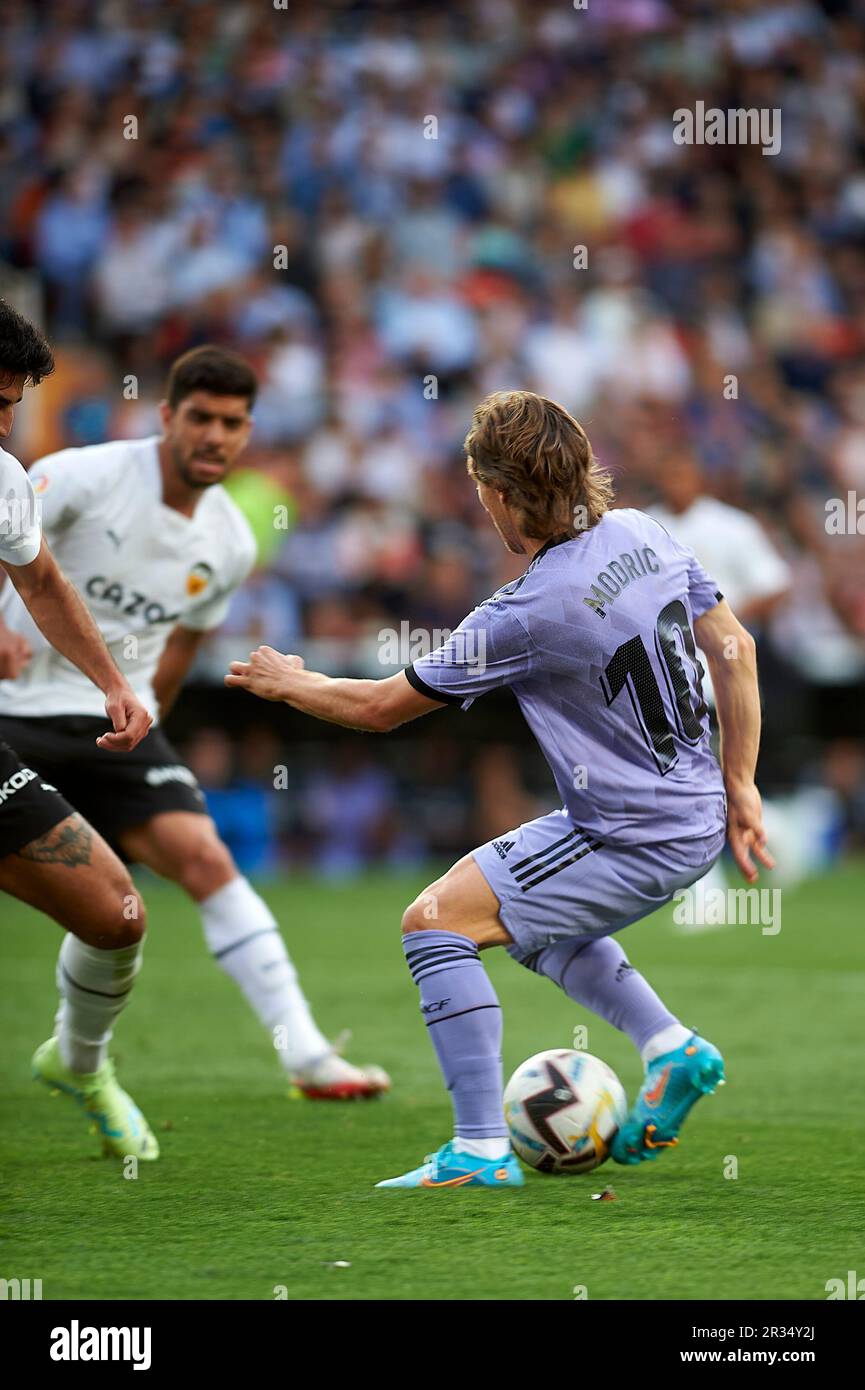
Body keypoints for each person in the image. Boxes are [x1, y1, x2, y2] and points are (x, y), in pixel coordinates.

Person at [226, 389, 774, 1189]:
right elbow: (734, 648)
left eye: (483, 488)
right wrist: (741, 784)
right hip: (685, 809)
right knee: (524, 925)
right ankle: (671, 1051)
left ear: (500, 494)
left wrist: (290, 683)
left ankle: (481, 1149)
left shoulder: (524, 610)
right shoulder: (644, 531)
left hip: (632, 833)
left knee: (436, 925)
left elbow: (382, 709)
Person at [0, 345, 388, 1100]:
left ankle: (306, 1054)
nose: (216, 436)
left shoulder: (232, 541)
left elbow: (177, 653)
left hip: (113, 717)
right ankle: (80, 1060)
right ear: (168, 415)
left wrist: (148, 733)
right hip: (15, 709)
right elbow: (14, 540)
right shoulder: (87, 474)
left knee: (204, 861)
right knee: (102, 905)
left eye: (234, 424)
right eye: (202, 418)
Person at [0, 299, 156, 1159]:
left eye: (13, 406)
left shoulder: (2, 479)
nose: (7, 424)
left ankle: (80, 1062)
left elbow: (46, 586)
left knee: (117, 911)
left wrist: (112, 685)